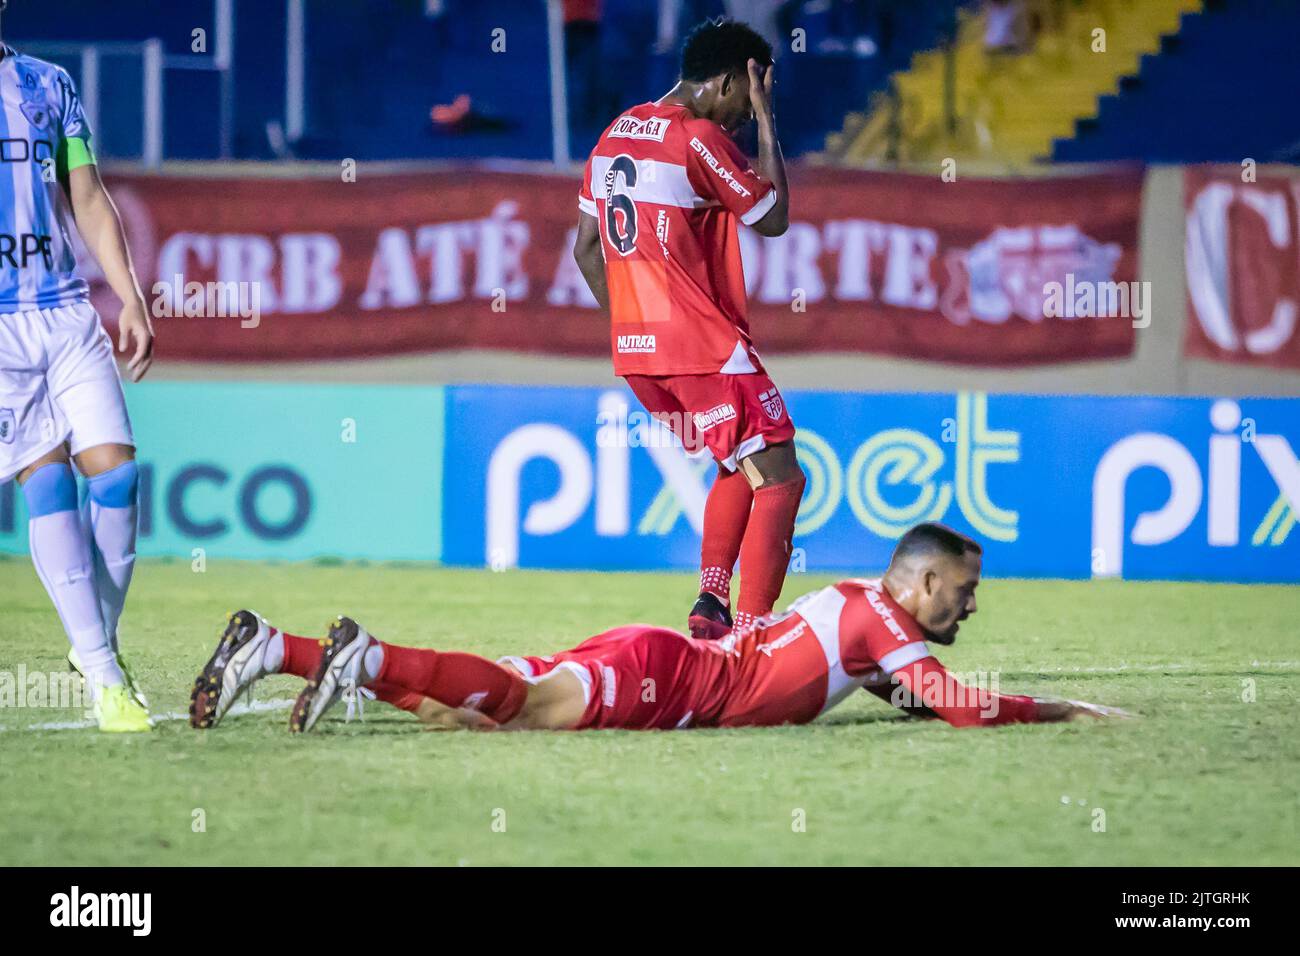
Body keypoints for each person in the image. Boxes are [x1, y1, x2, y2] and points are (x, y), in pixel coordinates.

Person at [189, 523, 1129, 733]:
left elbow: (896, 689)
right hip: (672, 681)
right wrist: (1063, 708)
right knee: (520, 712)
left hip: (659, 656)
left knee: (466, 716)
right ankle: (370, 654)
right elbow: (956, 708)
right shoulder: (888, 622)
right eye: (963, 590)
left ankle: (277, 649)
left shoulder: (859, 608)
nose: (970, 606)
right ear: (922, 581)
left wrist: (906, 694)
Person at [572, 17, 805, 640]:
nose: (742, 118)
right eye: (744, 100)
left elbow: (586, 248)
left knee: (737, 467)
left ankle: (711, 605)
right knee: (782, 477)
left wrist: (634, 329)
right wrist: (769, 119)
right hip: (701, 346)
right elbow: (774, 217)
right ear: (731, 81)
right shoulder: (696, 136)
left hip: (642, 358)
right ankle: (756, 637)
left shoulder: (616, 132)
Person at [0, 3, 155, 732]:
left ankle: (92, 642)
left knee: (119, 474)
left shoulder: (45, 83)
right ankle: (105, 680)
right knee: (49, 476)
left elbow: (86, 196)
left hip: (65, 311)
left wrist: (129, 296)